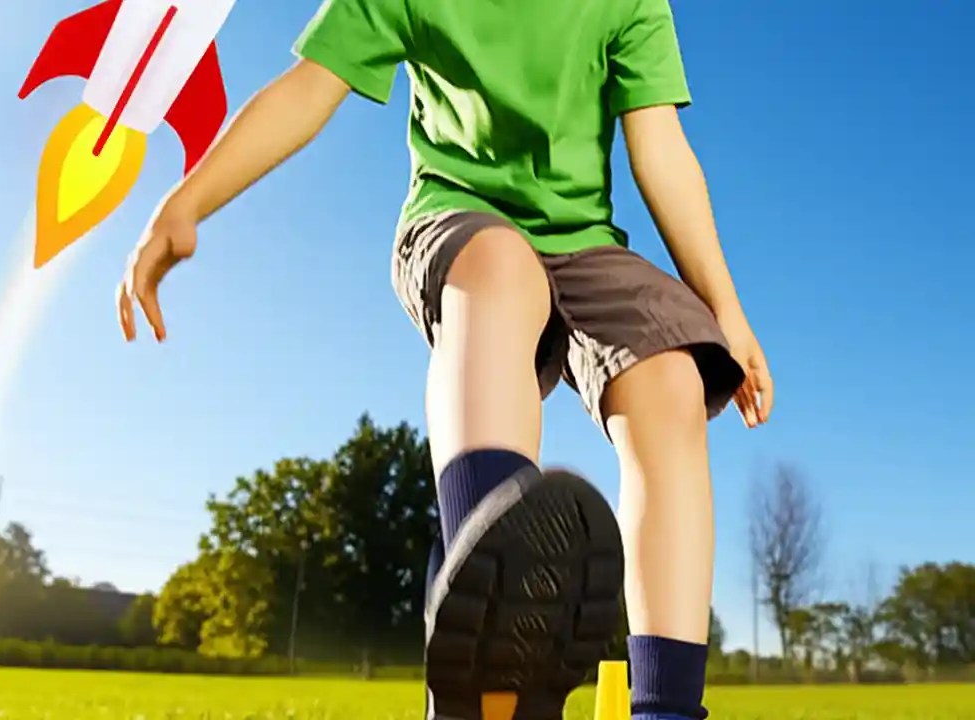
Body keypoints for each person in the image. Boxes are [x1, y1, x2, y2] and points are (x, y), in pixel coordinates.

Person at [117, 0, 774, 717]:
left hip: (585, 244)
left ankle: (666, 707)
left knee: (671, 375)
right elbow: (307, 88)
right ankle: (492, 635)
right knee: (499, 269)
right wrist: (186, 204)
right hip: (458, 219)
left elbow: (663, 151)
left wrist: (727, 309)